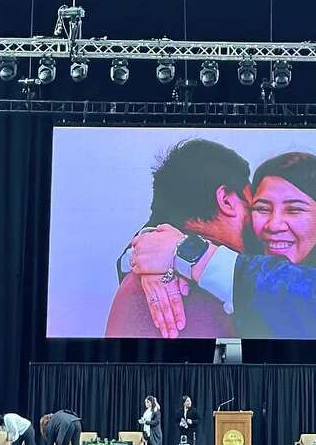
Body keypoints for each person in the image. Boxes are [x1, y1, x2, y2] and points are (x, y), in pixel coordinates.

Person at [128, 150, 316, 340]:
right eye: (261, 208)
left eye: (294, 210)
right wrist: (153, 248)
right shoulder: (251, 251)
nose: (274, 224)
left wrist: (189, 254)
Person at [107, 139, 252, 339]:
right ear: (226, 200)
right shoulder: (214, 290)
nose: (261, 222)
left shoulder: (138, 277)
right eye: (253, 207)